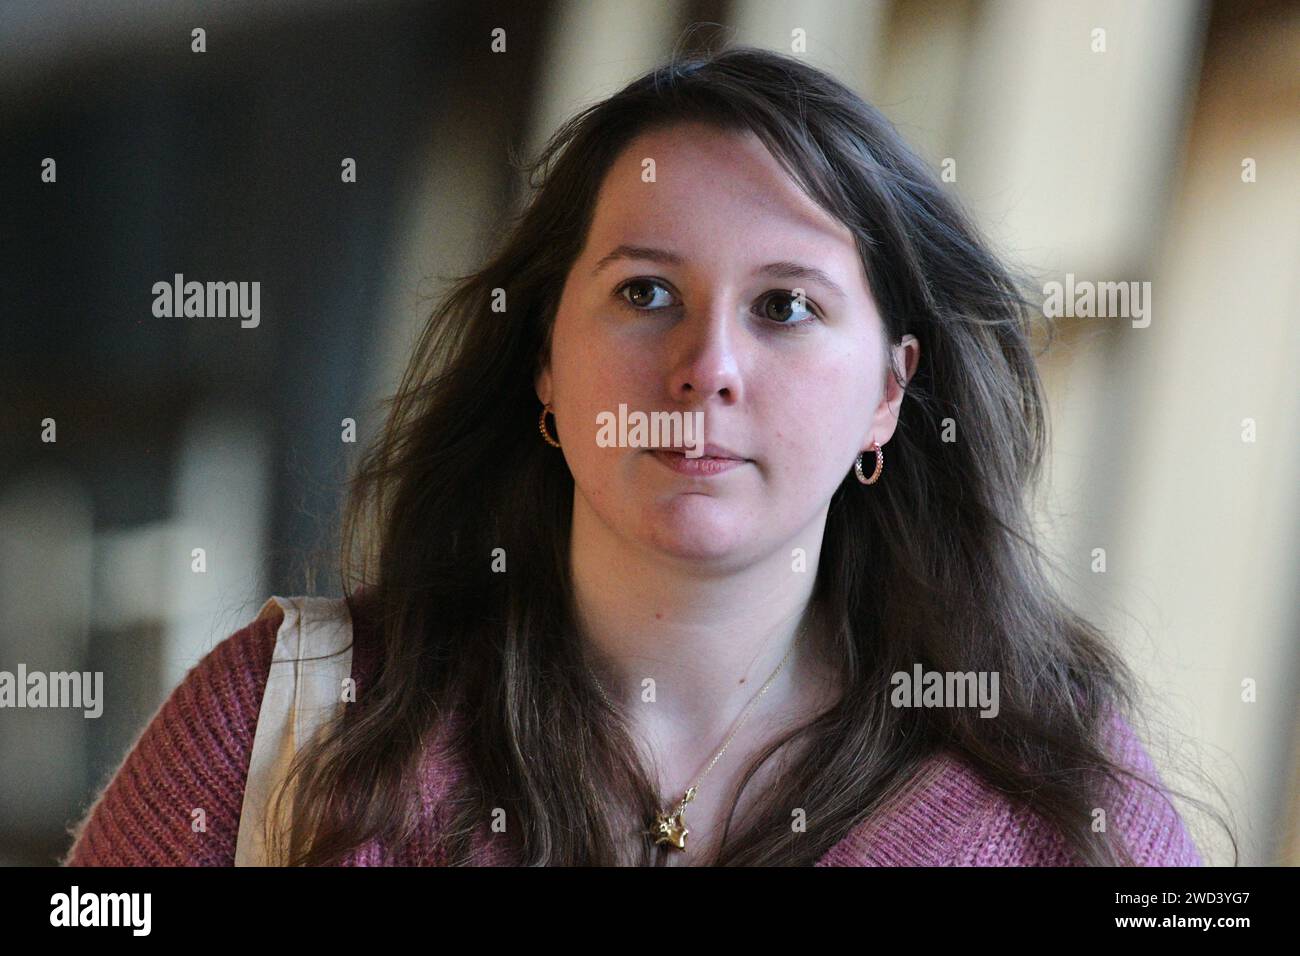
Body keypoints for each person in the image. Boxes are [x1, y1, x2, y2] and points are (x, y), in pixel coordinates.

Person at [64, 45, 1224, 867]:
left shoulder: (1052, 791)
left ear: (887, 390)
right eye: (646, 291)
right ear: (545, 365)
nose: (706, 365)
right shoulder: (285, 718)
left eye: (785, 306)